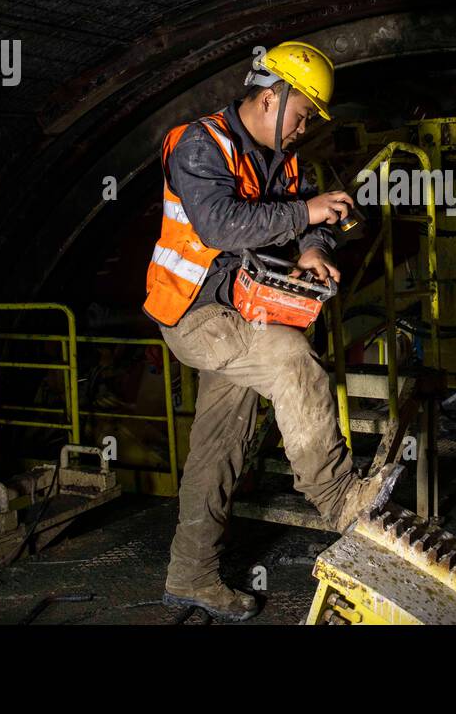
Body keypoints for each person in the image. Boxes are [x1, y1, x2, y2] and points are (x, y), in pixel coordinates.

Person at [141, 40, 400, 621]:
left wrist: (311, 245)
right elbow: (219, 224)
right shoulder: (199, 144)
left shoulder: (284, 162)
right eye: (302, 113)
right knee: (290, 360)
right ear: (269, 96)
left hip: (239, 311)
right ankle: (337, 498)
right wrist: (305, 215)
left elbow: (303, 214)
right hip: (193, 313)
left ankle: (191, 575)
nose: (304, 128)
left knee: (218, 452)